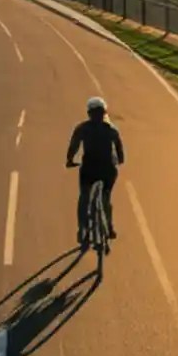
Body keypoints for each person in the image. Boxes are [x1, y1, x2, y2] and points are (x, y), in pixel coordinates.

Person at [66, 96, 125, 248]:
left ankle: (82, 229)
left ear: (89, 113)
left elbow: (73, 146)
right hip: (108, 170)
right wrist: (119, 160)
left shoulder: (82, 128)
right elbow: (120, 151)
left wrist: (70, 160)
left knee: (84, 198)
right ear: (104, 112)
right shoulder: (112, 129)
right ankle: (109, 227)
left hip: (89, 169)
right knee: (106, 197)